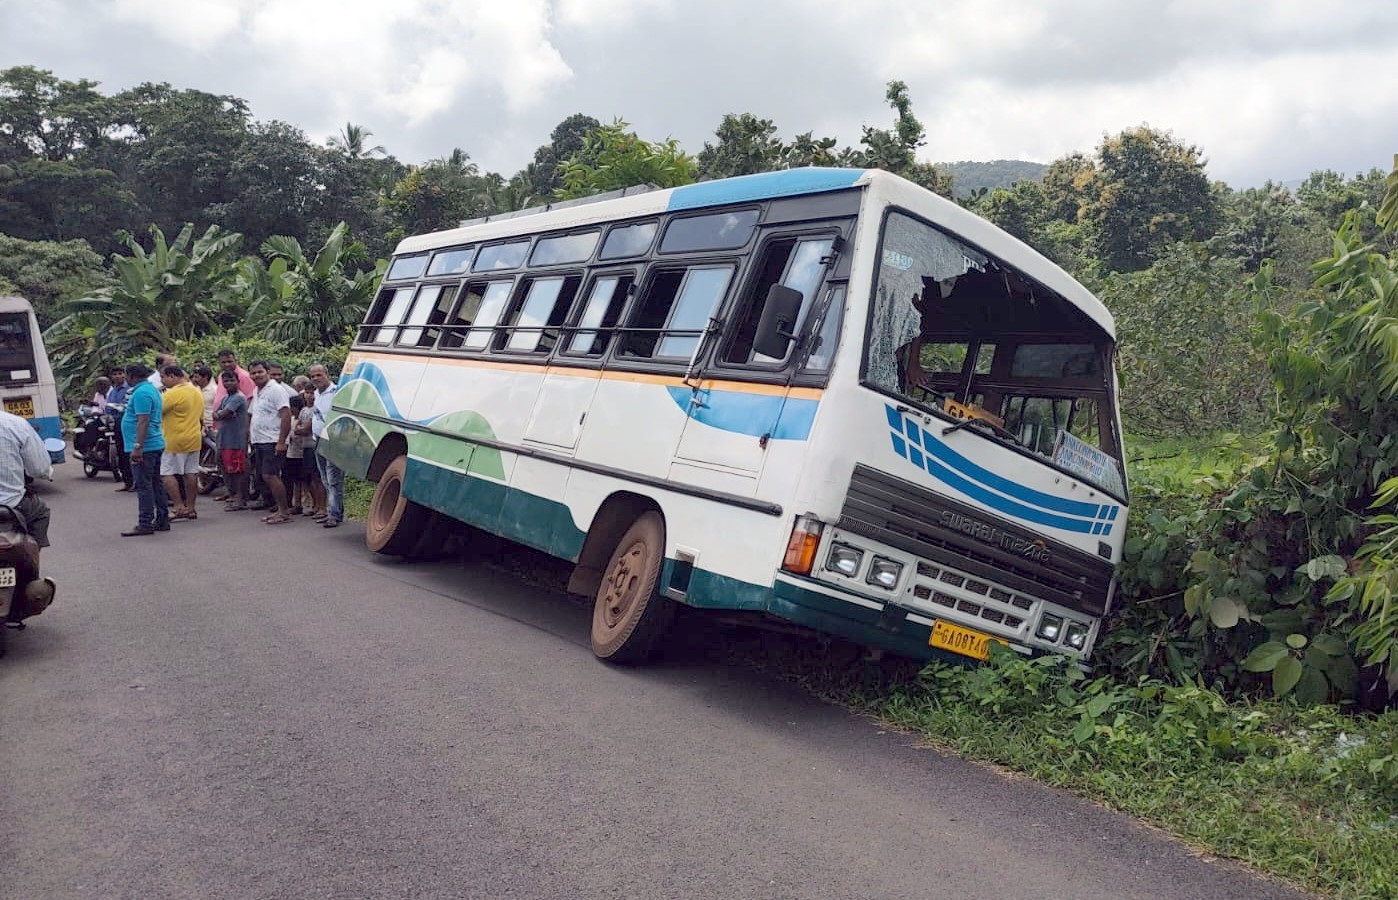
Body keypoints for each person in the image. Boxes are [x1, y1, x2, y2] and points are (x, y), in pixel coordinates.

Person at [120, 362, 169, 536]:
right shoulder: (150, 390)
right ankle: (162, 519)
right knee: (155, 483)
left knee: (144, 485)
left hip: (146, 446)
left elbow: (143, 421)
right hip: (153, 444)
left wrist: (137, 447)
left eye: (126, 375)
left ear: (132, 376)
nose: (125, 379)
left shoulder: (141, 393)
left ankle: (145, 522)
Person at [248, 360, 293, 524]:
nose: (256, 375)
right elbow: (253, 414)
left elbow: (286, 414)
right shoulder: (257, 390)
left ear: (267, 371)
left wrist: (281, 441)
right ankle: (280, 510)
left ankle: (284, 511)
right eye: (253, 373)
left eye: (260, 372)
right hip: (259, 440)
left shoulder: (276, 390)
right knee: (265, 476)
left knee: (270, 475)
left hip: (273, 440)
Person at [0, 409, 53, 548]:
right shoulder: (15, 423)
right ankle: (32, 557)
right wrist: (47, 473)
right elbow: (39, 469)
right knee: (41, 512)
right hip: (13, 505)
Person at [159, 365, 205, 520]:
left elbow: (157, 410)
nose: (162, 381)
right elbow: (201, 417)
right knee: (190, 473)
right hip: (194, 437)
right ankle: (191, 508)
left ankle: (178, 506)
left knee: (166, 473)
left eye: (163, 377)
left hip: (174, 438)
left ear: (172, 376)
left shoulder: (173, 393)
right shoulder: (196, 391)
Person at [308, 364, 343, 528]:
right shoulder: (316, 393)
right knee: (324, 478)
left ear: (326, 374)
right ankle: (334, 511)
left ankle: (334, 514)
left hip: (333, 442)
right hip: (318, 440)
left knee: (333, 479)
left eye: (319, 375)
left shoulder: (337, 392)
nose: (316, 378)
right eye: (313, 376)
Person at [213, 370, 250, 510]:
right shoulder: (226, 398)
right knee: (225, 467)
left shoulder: (238, 398)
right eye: (226, 381)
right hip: (225, 439)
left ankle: (240, 500)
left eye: (232, 380)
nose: (229, 383)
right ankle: (233, 494)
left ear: (238, 382)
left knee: (238, 470)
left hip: (236, 440)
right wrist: (220, 414)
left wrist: (221, 414)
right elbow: (218, 413)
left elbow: (222, 414)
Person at [105, 366, 134, 492]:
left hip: (128, 424)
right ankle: (127, 481)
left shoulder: (129, 389)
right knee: (121, 453)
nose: (118, 376)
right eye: (115, 374)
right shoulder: (112, 391)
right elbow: (108, 408)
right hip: (117, 424)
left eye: (120, 373)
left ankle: (134, 482)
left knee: (130, 453)